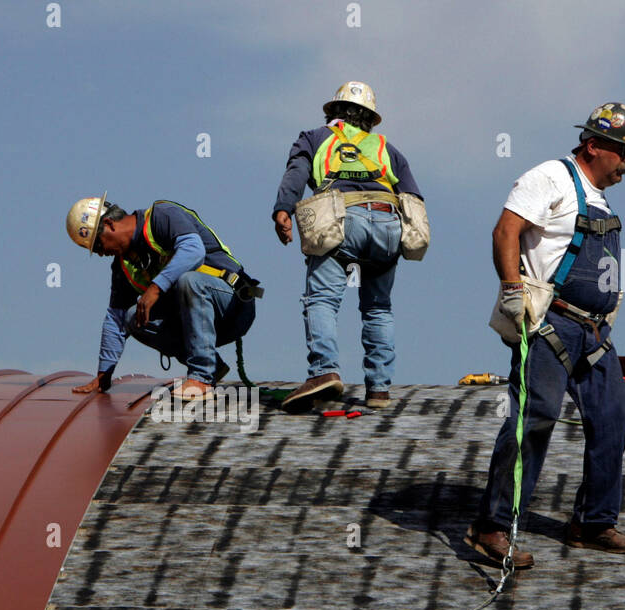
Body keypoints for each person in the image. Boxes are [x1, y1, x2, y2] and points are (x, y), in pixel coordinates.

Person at [468, 103, 625, 568]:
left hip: (594, 332)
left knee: (615, 413)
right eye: (623, 150)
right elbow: (506, 231)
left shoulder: (600, 200)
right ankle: (493, 527)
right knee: (535, 416)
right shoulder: (549, 177)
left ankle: (592, 524)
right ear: (594, 145)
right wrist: (511, 290)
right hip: (550, 322)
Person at [272, 81, 425, 412]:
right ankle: (379, 390)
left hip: (341, 218)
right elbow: (413, 196)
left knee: (322, 299)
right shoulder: (387, 148)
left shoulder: (313, 138)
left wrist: (283, 210)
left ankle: (324, 372)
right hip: (388, 223)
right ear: (369, 118)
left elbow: (295, 174)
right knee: (378, 307)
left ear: (334, 112)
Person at [67, 194, 260, 399]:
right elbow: (115, 320)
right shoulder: (123, 265)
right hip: (198, 323)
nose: (100, 253)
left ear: (109, 224)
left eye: (97, 245)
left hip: (233, 305)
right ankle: (212, 365)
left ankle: (202, 377)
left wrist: (155, 288)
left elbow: (193, 250)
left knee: (189, 281)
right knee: (133, 317)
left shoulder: (162, 216)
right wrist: (103, 374)